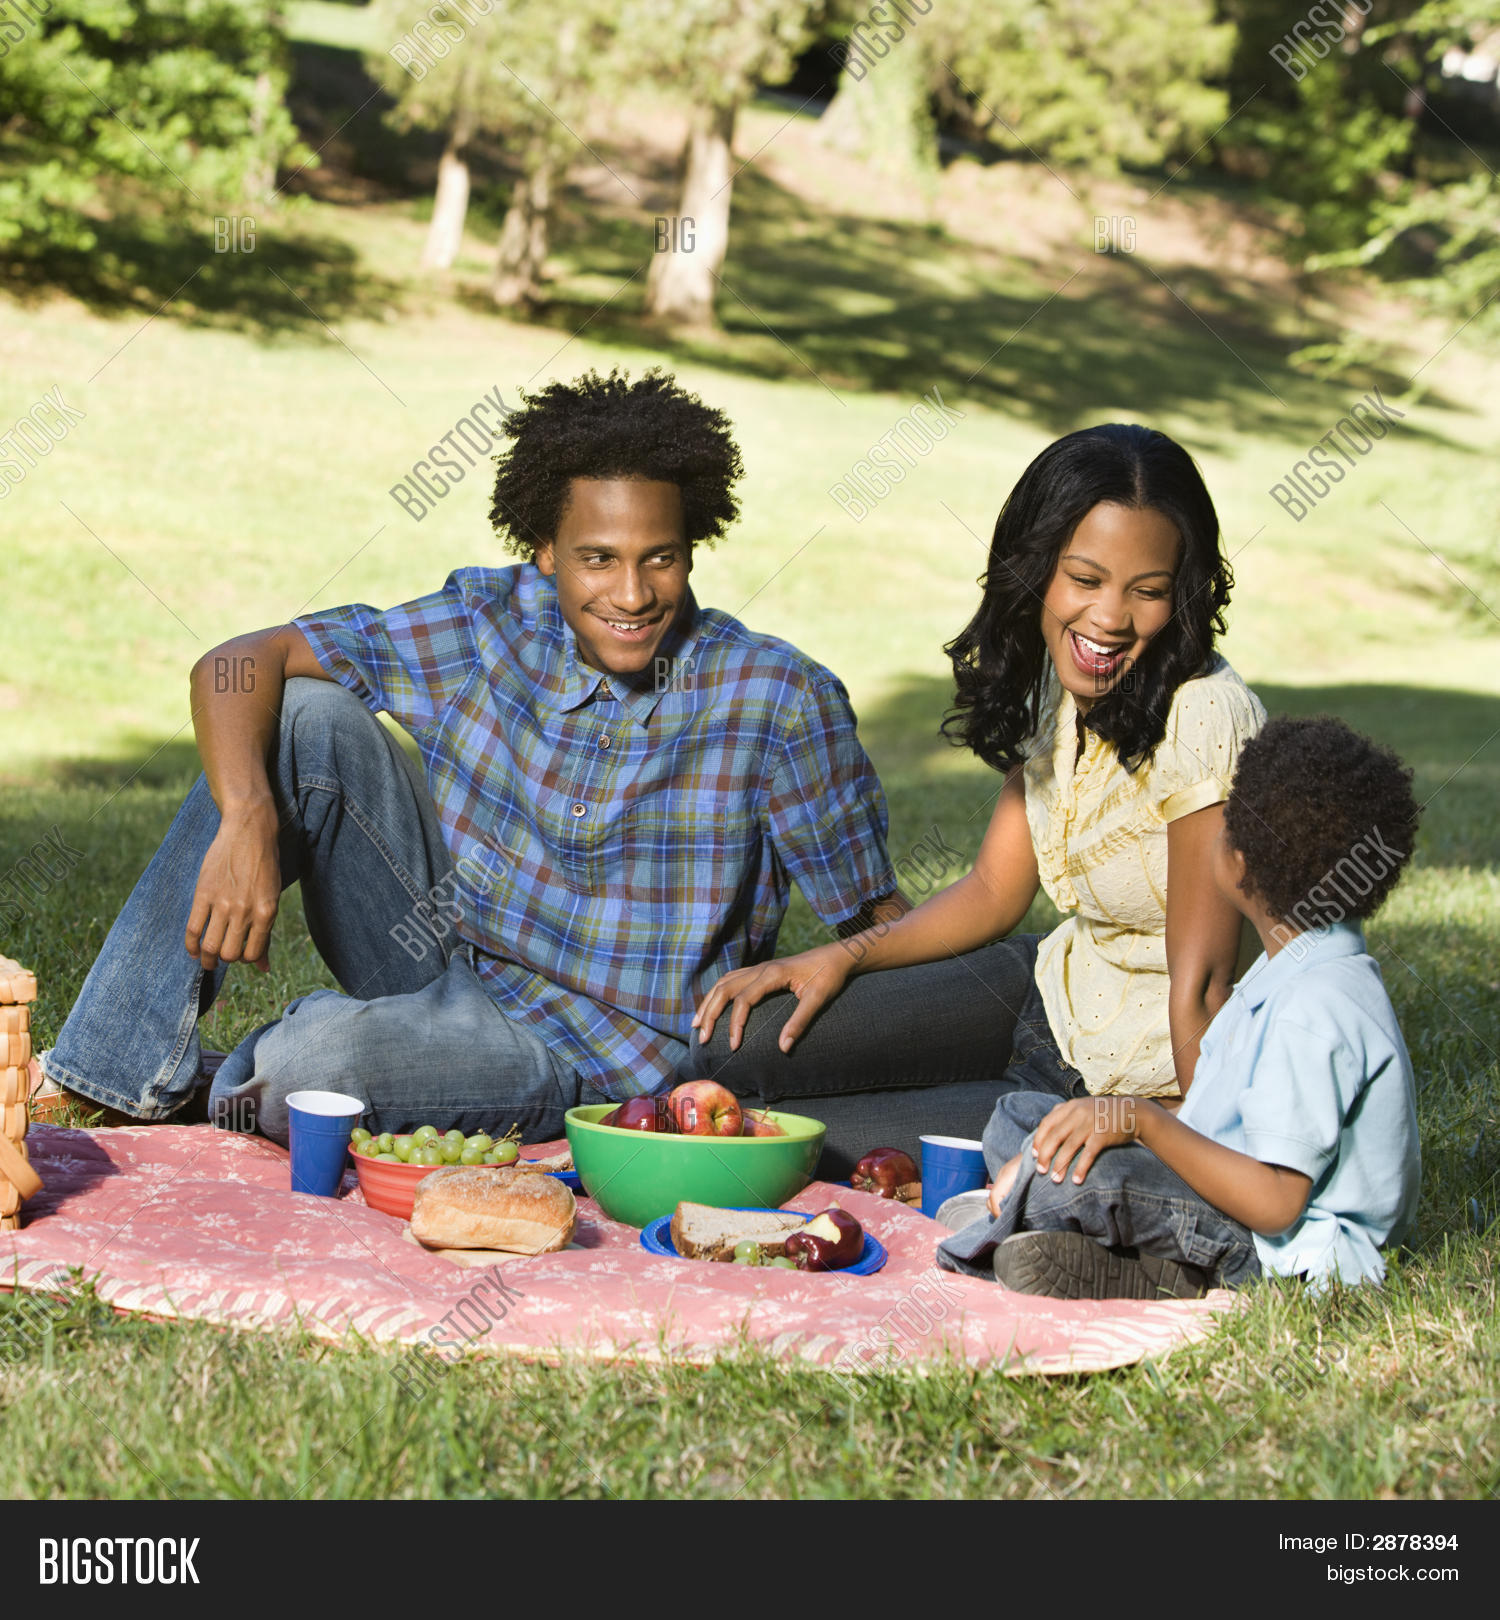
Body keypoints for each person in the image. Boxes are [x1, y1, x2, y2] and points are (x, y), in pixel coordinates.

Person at [34, 369, 911, 1149]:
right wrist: (248, 816)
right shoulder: (489, 621)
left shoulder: (779, 698)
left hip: (593, 1058)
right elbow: (236, 663)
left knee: (309, 1061)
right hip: (447, 952)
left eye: (661, 559)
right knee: (305, 714)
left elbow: (876, 919)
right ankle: (105, 1075)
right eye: (597, 560)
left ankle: (275, 1074)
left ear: (694, 546)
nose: (633, 594)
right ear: (543, 553)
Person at [689, 424, 1265, 1158]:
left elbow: (1206, 987)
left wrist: (1201, 1154)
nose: (1112, 619)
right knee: (735, 1055)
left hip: (1135, 1084)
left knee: (786, 1144)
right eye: (1085, 581)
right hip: (1047, 993)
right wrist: (845, 956)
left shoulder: (1204, 716)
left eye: (1147, 592)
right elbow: (996, 886)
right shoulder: (1062, 678)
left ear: (1181, 593)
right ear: (1036, 571)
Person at [936, 715, 1422, 1298]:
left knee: (1066, 1172)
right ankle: (1111, 1249)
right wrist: (1119, 1124)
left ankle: (1107, 1246)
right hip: (1225, 1195)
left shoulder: (1313, 1008)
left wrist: (1140, 1121)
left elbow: (1274, 1204)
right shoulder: (1295, 968)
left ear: (1238, 863)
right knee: (1022, 1115)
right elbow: (1217, 1123)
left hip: (1276, 1251)